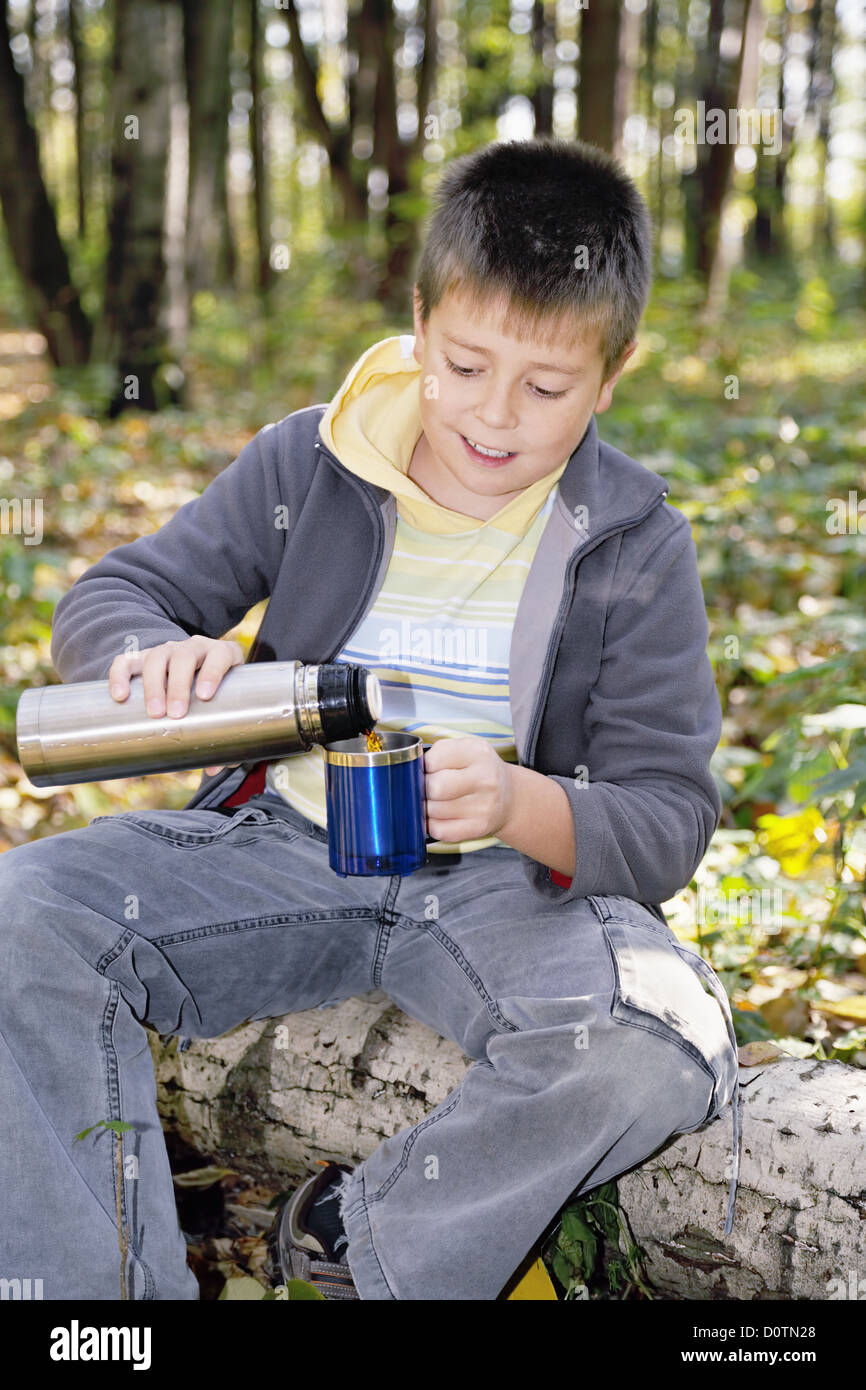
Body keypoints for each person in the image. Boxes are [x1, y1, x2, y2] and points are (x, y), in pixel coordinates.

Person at [0, 136, 740, 1301]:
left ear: (611, 374)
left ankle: (360, 1241)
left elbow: (668, 816)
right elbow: (112, 596)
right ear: (416, 321)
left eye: (545, 388)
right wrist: (152, 655)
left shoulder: (636, 541)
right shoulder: (311, 462)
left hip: (504, 883)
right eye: (460, 366)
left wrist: (516, 798)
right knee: (21, 910)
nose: (492, 417)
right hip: (276, 851)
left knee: (654, 1040)